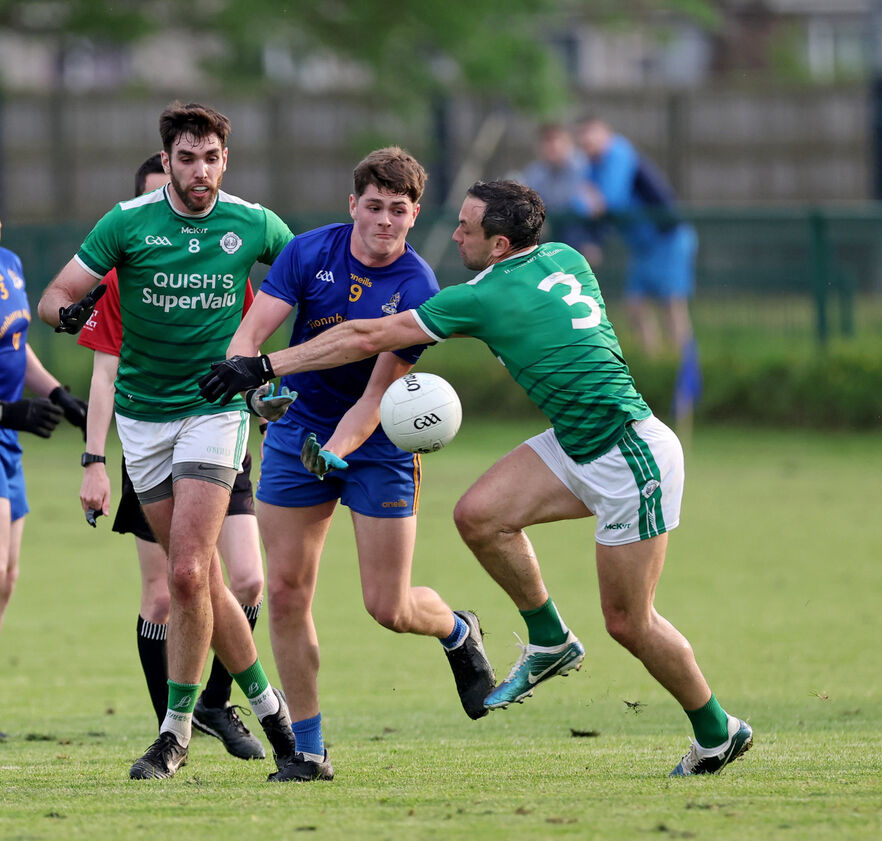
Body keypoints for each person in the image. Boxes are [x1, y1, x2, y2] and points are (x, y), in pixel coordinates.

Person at [200, 180, 753, 777]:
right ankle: (550, 640)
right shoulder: (561, 256)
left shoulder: (480, 296)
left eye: (466, 227)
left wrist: (263, 365)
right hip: (576, 443)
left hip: (629, 458)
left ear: (498, 244)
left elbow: (365, 336)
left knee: (629, 622)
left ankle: (717, 730)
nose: (455, 233)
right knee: (479, 515)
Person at [38, 101, 297, 780]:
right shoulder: (127, 225)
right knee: (201, 580)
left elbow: (304, 275)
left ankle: (173, 733)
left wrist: (281, 359)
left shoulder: (252, 222)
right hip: (142, 422)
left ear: (225, 159)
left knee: (187, 571)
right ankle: (277, 719)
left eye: (212, 157)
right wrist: (70, 311)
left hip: (212, 413)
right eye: (188, 158)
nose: (201, 170)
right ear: (168, 158)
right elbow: (56, 295)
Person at [222, 147, 494, 782]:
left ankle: (457, 629)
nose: (384, 221)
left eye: (398, 210)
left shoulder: (419, 288)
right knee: (287, 593)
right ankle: (309, 750)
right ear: (353, 206)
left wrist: (337, 455)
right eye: (373, 207)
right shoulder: (308, 252)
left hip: (378, 443)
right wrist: (255, 390)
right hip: (296, 433)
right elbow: (250, 340)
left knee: (389, 606)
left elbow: (374, 398)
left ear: (414, 213)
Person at [76, 152, 269, 762]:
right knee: (168, 590)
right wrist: (94, 459)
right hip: (148, 431)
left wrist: (268, 394)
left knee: (244, 580)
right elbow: (104, 374)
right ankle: (174, 721)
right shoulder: (123, 265)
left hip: (216, 430)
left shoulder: (229, 258)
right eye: (172, 181)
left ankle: (210, 704)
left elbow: (250, 344)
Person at [0, 217, 89, 643]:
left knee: (8, 578)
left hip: (8, 443)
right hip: (5, 426)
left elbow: (15, 343)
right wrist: (7, 413)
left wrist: (57, 394)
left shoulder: (9, 263)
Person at [575, 115, 697, 358]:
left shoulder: (619, 153)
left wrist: (593, 202)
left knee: (671, 306)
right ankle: (654, 365)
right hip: (642, 247)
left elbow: (610, 200)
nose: (588, 144)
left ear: (606, 133)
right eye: (584, 141)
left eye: (592, 137)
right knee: (635, 307)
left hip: (668, 240)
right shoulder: (592, 165)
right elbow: (583, 204)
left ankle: (684, 369)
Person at [518, 123, 603, 266]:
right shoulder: (535, 172)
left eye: (556, 140)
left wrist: (592, 242)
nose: (552, 146)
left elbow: (595, 207)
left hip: (583, 240)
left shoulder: (584, 167)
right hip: (549, 242)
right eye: (547, 141)